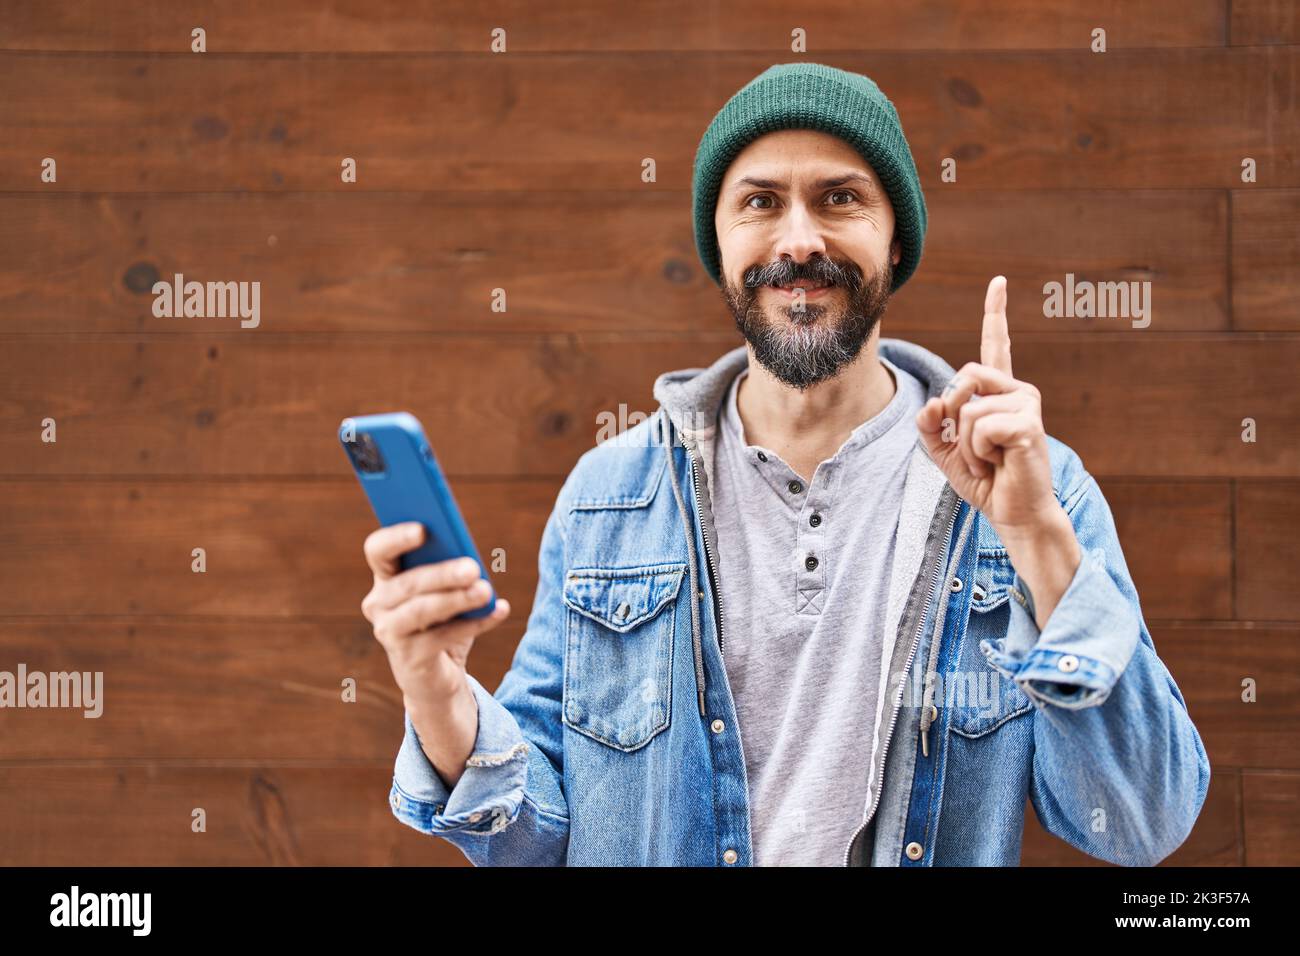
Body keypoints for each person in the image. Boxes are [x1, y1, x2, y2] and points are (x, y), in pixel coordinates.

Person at [361, 62, 1210, 866]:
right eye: (760, 202)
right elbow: (535, 837)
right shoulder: (609, 497)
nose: (798, 241)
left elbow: (1141, 823)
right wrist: (438, 695)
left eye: (840, 198)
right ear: (720, 244)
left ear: (895, 241)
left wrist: (1035, 541)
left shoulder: (1037, 488)